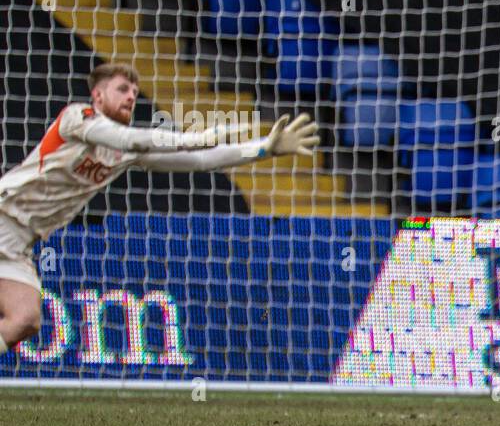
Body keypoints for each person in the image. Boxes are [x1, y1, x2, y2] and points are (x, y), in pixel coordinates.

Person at [0, 62, 319, 356]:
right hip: (4, 215)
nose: (130, 97)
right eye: (122, 89)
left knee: (26, 320)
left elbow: (202, 160)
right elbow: (130, 138)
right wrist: (195, 138)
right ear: (97, 95)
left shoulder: (123, 153)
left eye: (135, 93)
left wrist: (262, 149)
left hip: (21, 244)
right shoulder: (76, 118)